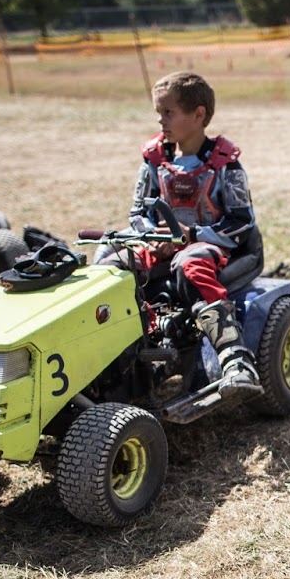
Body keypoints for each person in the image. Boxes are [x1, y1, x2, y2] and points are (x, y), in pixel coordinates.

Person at [98, 70, 261, 395]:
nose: (161, 121)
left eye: (168, 113)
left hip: (210, 248)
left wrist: (195, 234)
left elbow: (241, 221)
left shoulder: (224, 164)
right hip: (159, 246)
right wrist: (151, 236)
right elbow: (138, 212)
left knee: (190, 265)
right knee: (110, 267)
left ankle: (235, 360)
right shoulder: (154, 161)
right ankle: (125, 350)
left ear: (198, 115)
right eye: (159, 113)